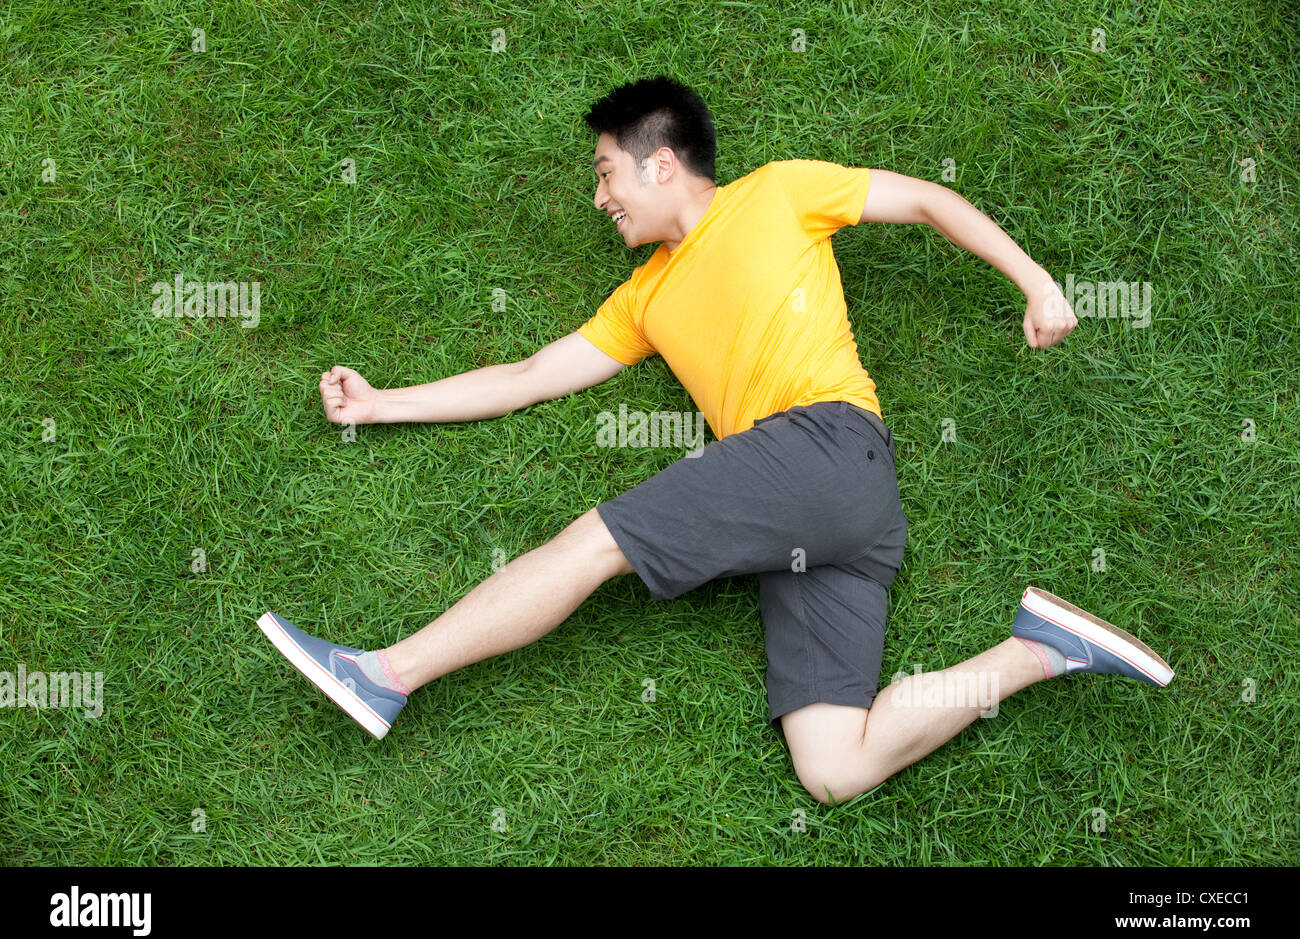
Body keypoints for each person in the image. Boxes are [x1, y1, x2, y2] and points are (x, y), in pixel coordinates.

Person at [258, 77, 1173, 805]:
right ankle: (1040, 650)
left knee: (596, 542)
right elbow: (528, 376)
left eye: (607, 172)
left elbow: (928, 201)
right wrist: (383, 404)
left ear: (661, 165)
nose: (598, 197)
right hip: (841, 516)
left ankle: (388, 674)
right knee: (833, 768)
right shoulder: (645, 299)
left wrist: (1037, 280)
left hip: (822, 441)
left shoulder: (777, 192)